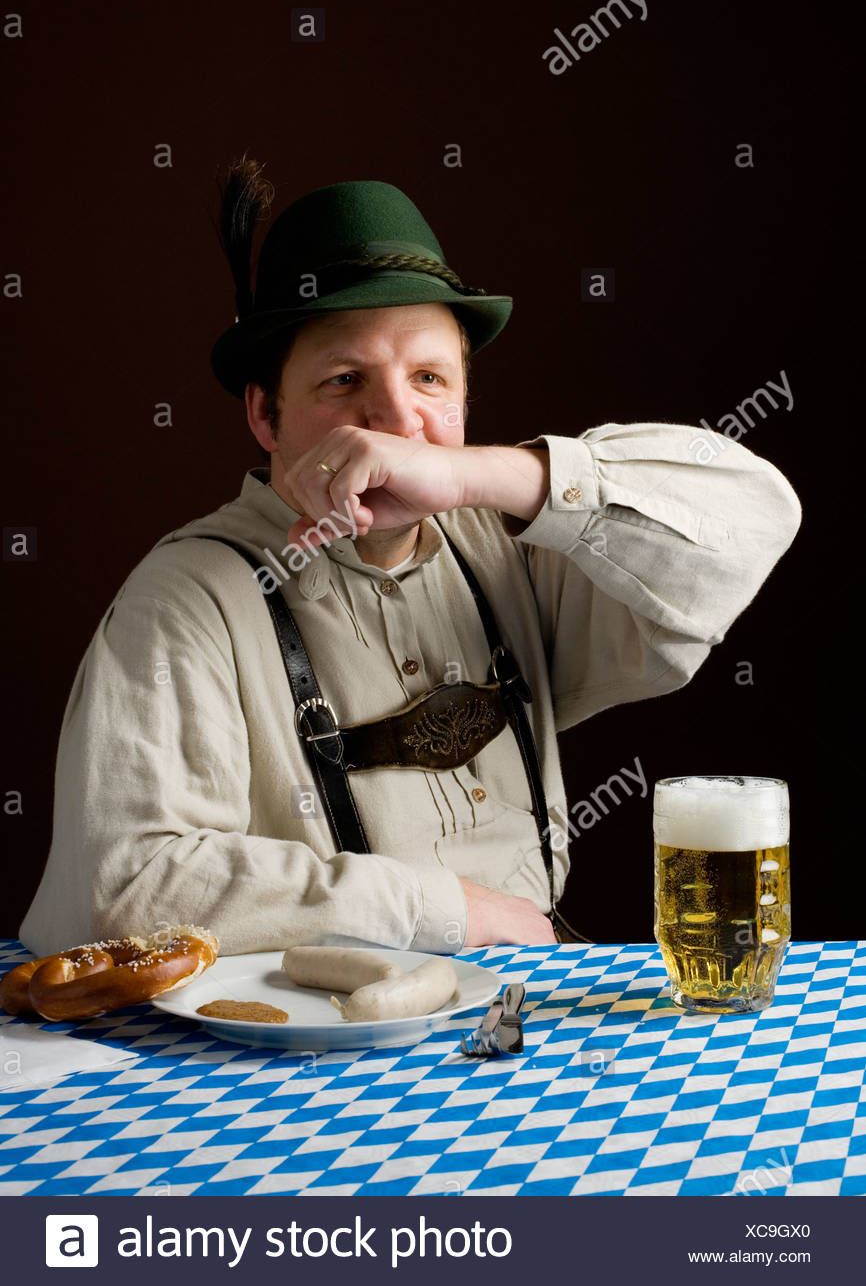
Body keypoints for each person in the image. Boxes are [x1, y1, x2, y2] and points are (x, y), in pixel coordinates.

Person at [20, 164, 802, 958]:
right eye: (344, 380)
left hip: (523, 1013)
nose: (397, 419)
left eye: (429, 379)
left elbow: (752, 523)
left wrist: (475, 475)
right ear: (265, 412)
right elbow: (123, 887)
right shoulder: (188, 601)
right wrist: (440, 909)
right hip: (305, 1059)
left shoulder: (510, 551)